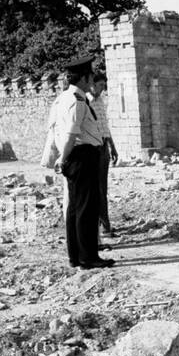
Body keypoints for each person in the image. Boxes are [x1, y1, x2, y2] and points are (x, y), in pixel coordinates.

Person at [43, 55, 111, 270]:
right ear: (83, 78)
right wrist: (63, 159)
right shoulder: (77, 100)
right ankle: (89, 257)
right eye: (90, 75)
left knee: (75, 209)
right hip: (82, 155)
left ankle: (76, 256)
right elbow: (71, 134)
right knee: (87, 210)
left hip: (76, 155)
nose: (92, 78)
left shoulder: (65, 97)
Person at [88, 76, 118, 239]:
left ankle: (104, 224)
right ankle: (104, 228)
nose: (102, 89)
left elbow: (105, 126)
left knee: (102, 189)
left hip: (103, 146)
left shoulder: (99, 101)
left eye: (104, 85)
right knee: (97, 189)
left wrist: (112, 146)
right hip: (93, 147)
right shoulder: (86, 102)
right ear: (92, 85)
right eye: (100, 85)